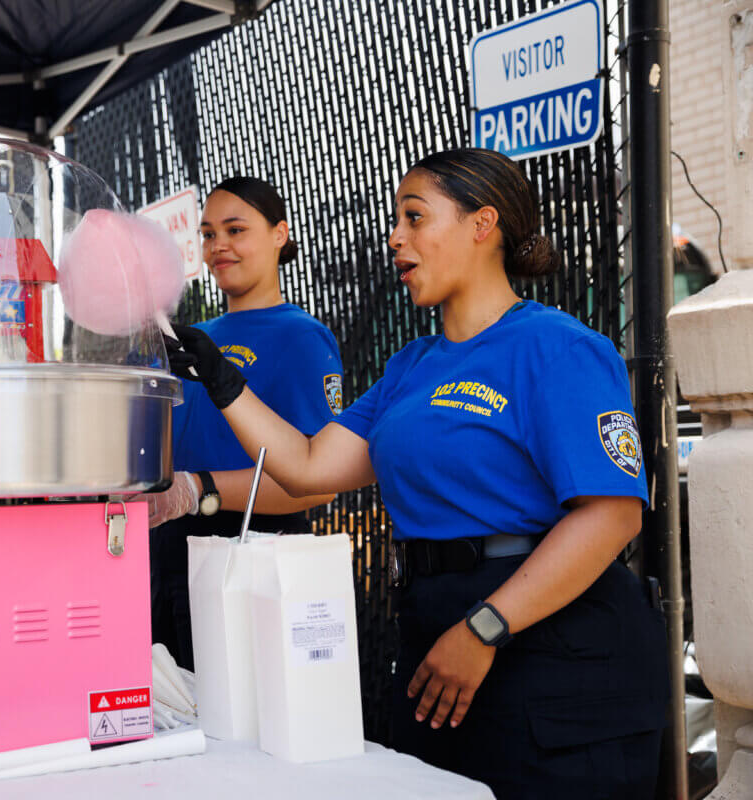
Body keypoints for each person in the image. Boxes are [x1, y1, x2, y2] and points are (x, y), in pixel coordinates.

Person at [164, 149, 669, 798]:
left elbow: (612, 515)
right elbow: (308, 465)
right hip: (434, 630)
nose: (395, 237)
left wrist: (486, 626)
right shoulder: (411, 366)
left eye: (415, 217)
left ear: (482, 225)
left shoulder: (558, 347)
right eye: (395, 220)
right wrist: (222, 379)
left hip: (548, 648)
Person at [145, 177, 342, 671]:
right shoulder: (191, 339)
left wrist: (197, 489)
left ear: (280, 234)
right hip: (169, 556)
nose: (219, 246)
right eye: (208, 234)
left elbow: (318, 485)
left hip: (252, 556)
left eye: (236, 230)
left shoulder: (301, 337)